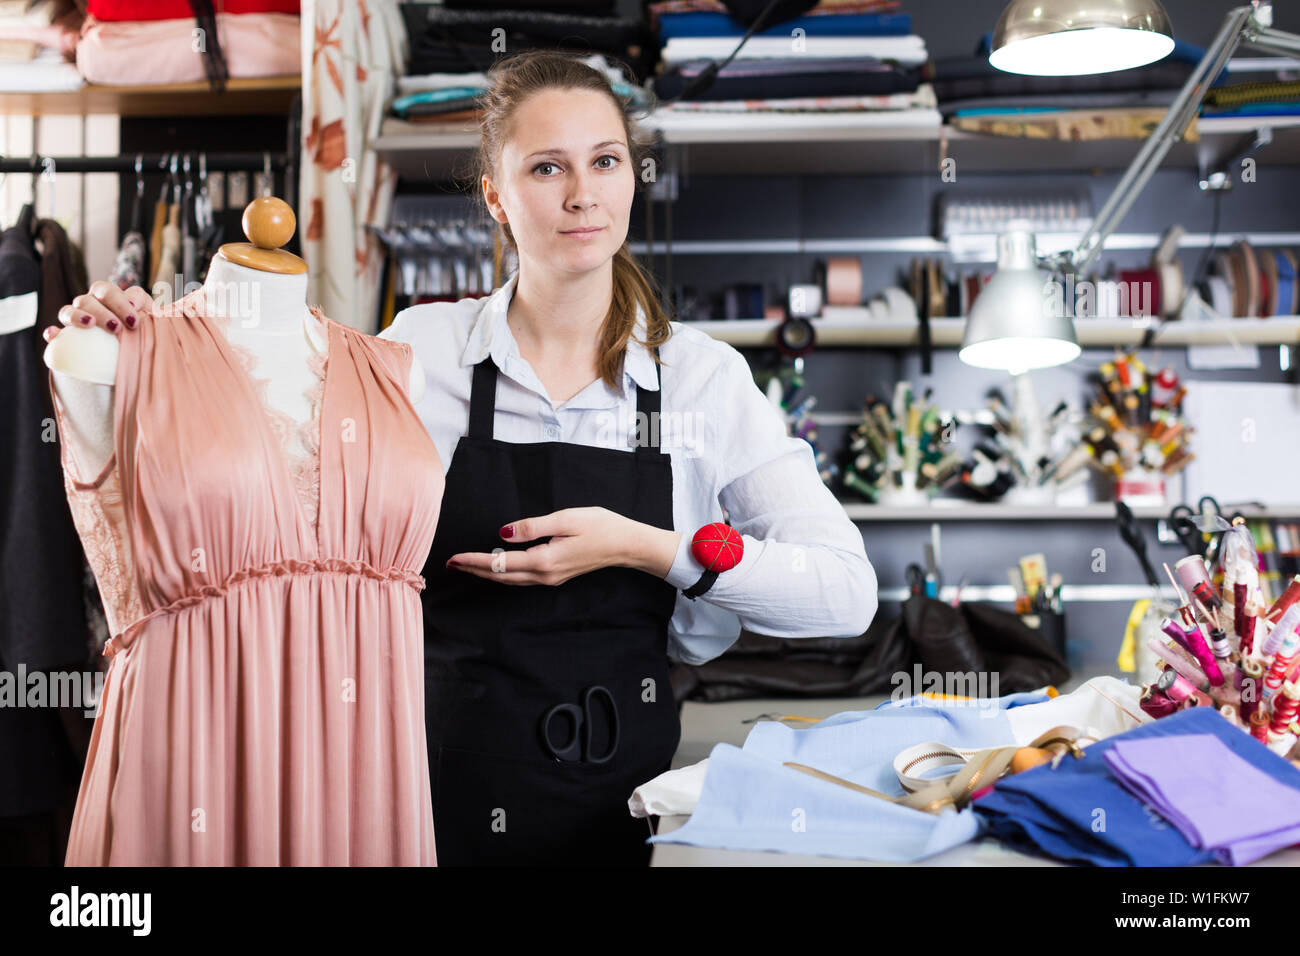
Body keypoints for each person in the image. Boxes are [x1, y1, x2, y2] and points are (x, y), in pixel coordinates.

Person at [47, 50, 878, 867]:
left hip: (622, 810)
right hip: (424, 800)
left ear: (633, 176)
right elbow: (264, 479)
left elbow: (845, 594)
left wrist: (645, 547)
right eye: (547, 167)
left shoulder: (702, 380)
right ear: (495, 195)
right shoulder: (418, 352)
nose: (584, 193)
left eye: (607, 161)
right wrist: (159, 347)